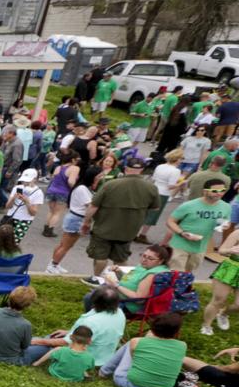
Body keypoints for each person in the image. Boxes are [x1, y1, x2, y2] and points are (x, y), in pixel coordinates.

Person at [81, 156, 161, 285]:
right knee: (121, 258)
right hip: (129, 230)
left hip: (104, 227)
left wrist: (86, 222)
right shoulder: (151, 187)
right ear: (142, 170)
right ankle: (123, 282)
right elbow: (156, 207)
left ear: (125, 169)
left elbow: (93, 206)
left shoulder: (111, 184)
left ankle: (97, 278)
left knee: (100, 256)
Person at [24, 285, 126, 367]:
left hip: (86, 357)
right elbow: (98, 331)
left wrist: (40, 341)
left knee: (39, 345)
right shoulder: (120, 313)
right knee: (48, 339)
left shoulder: (91, 322)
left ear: (95, 302)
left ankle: (20, 358)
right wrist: (70, 332)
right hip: (104, 355)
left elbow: (65, 342)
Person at [100, 312, 186, 387]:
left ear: (152, 327)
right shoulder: (182, 346)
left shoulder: (137, 341)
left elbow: (134, 359)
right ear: (177, 331)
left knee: (131, 345)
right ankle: (105, 371)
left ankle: (104, 371)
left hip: (131, 386)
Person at [166, 181, 229, 273]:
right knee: (175, 274)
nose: (219, 193)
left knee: (188, 274)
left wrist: (224, 226)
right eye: (215, 191)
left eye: (222, 190)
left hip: (200, 247)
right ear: (205, 191)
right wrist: (182, 233)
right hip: (179, 245)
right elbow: (170, 221)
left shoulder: (226, 207)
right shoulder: (189, 205)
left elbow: (225, 222)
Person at [200, 228, 239, 336]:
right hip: (231, 268)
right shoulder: (237, 233)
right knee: (219, 299)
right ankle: (206, 325)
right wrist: (231, 250)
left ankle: (223, 314)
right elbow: (222, 250)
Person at [31, 325, 96, 383]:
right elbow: (90, 367)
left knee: (57, 350)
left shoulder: (62, 350)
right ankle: (85, 375)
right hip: (75, 379)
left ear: (71, 337)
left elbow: (54, 353)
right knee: (81, 365)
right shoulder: (90, 357)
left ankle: (36, 363)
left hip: (56, 374)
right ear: (89, 341)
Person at [4, 168, 44, 244]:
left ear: (34, 179)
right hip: (10, 217)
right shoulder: (17, 188)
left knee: (13, 243)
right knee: (2, 240)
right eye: (24, 180)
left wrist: (27, 202)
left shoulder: (38, 193)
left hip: (24, 220)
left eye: (28, 181)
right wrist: (13, 198)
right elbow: (8, 206)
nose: (25, 183)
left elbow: (33, 213)